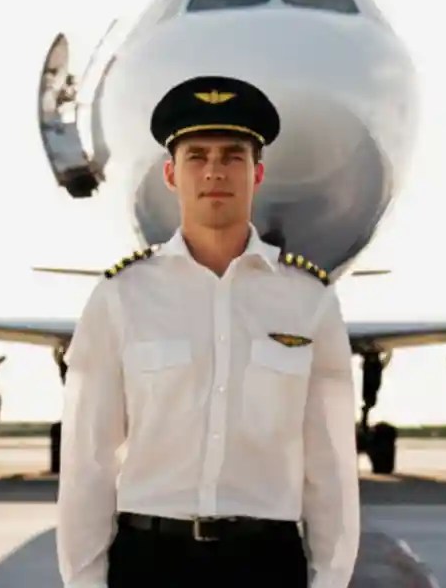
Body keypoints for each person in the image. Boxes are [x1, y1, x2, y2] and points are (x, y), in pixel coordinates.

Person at [56, 75, 360, 588]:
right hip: (149, 563)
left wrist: (329, 581)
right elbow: (88, 461)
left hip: (265, 564)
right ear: (171, 174)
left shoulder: (309, 301)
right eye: (197, 156)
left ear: (257, 172)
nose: (215, 171)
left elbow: (330, 468)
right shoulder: (121, 297)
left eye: (232, 156)